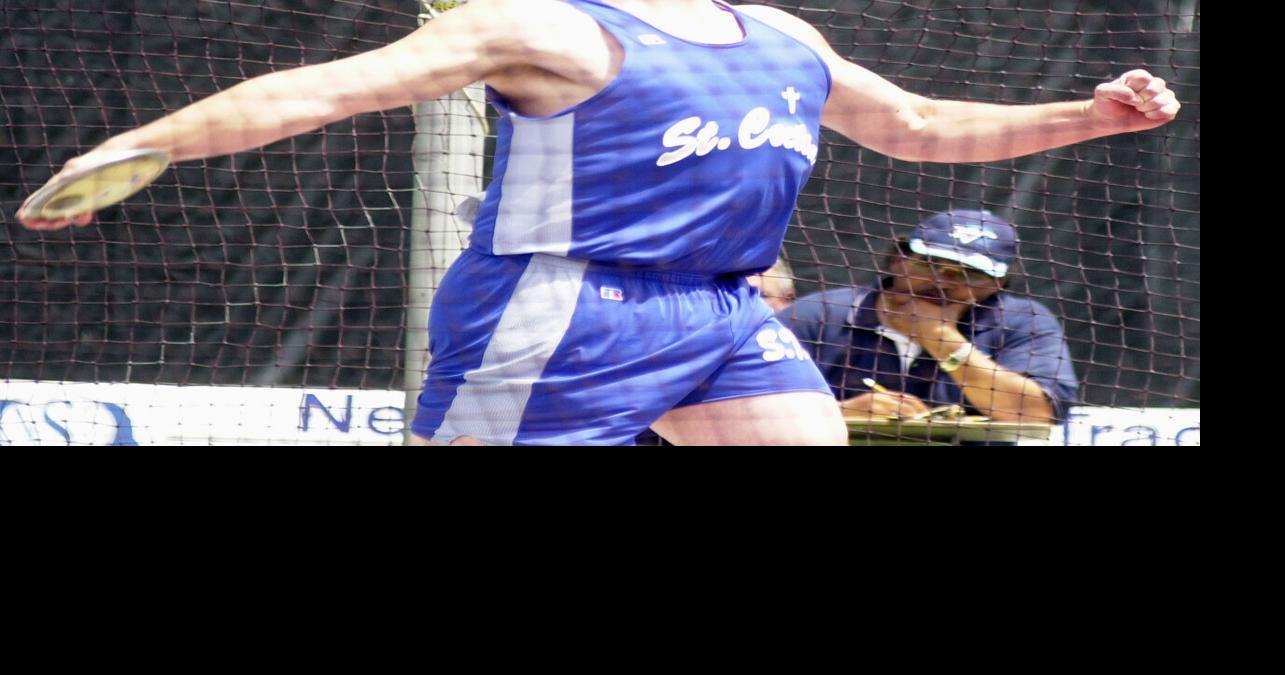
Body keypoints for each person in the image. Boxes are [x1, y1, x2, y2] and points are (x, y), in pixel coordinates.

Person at [17, 0, 1179, 445]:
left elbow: (918, 125)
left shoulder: (782, 35)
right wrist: (142, 142)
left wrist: (1085, 116)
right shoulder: (541, 27)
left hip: (725, 312)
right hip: (561, 312)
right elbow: (323, 91)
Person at [779, 210, 1078, 425]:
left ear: (998, 284)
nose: (943, 282)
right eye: (930, 264)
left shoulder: (1023, 321)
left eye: (970, 274)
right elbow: (752, 406)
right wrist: (838, 414)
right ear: (897, 259)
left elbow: (1037, 413)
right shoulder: (815, 315)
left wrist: (941, 338)